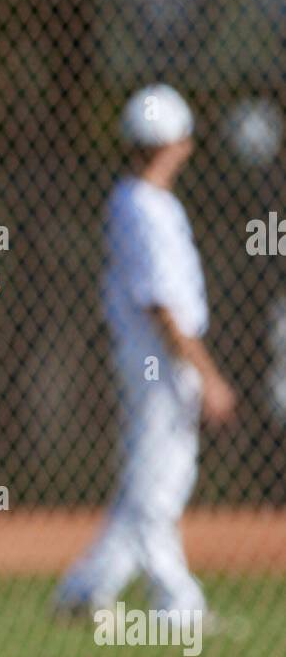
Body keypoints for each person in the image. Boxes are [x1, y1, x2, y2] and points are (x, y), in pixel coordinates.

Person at [55, 84, 236, 620]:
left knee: (152, 477)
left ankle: (86, 588)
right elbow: (162, 304)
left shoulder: (136, 201)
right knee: (160, 481)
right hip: (160, 358)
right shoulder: (147, 208)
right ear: (172, 142)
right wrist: (208, 374)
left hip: (152, 356)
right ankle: (177, 601)